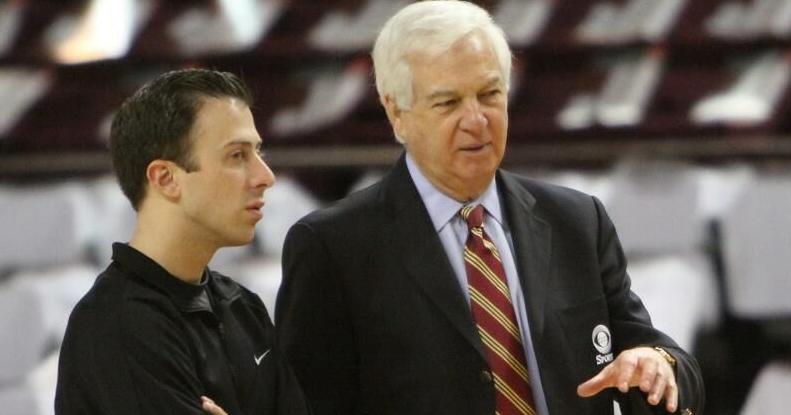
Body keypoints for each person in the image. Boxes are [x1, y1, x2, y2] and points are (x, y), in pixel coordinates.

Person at [275, 1, 704, 415]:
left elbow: (654, 353)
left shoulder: (577, 221)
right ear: (396, 112)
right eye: (448, 102)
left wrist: (658, 364)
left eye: (489, 94)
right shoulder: (333, 247)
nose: (477, 120)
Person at [55, 68, 310, 415]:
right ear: (166, 178)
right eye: (237, 155)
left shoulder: (242, 306)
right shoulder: (119, 326)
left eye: (258, 153)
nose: (265, 177)